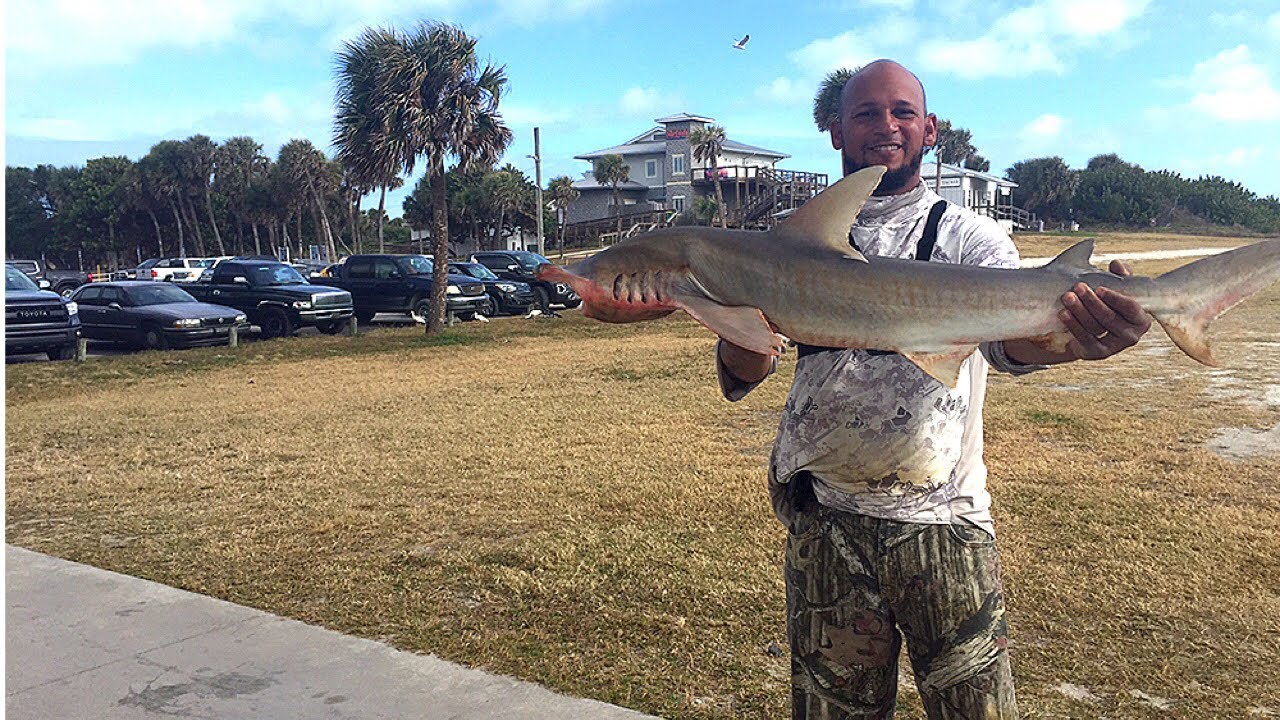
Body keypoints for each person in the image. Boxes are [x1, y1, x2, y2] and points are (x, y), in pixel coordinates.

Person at [715, 59, 1152, 719]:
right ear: (835, 132)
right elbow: (743, 374)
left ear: (930, 128)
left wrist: (1078, 340)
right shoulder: (791, 243)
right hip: (827, 520)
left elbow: (1012, 343)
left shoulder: (969, 236)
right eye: (864, 114)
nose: (884, 127)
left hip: (944, 524)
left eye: (901, 112)